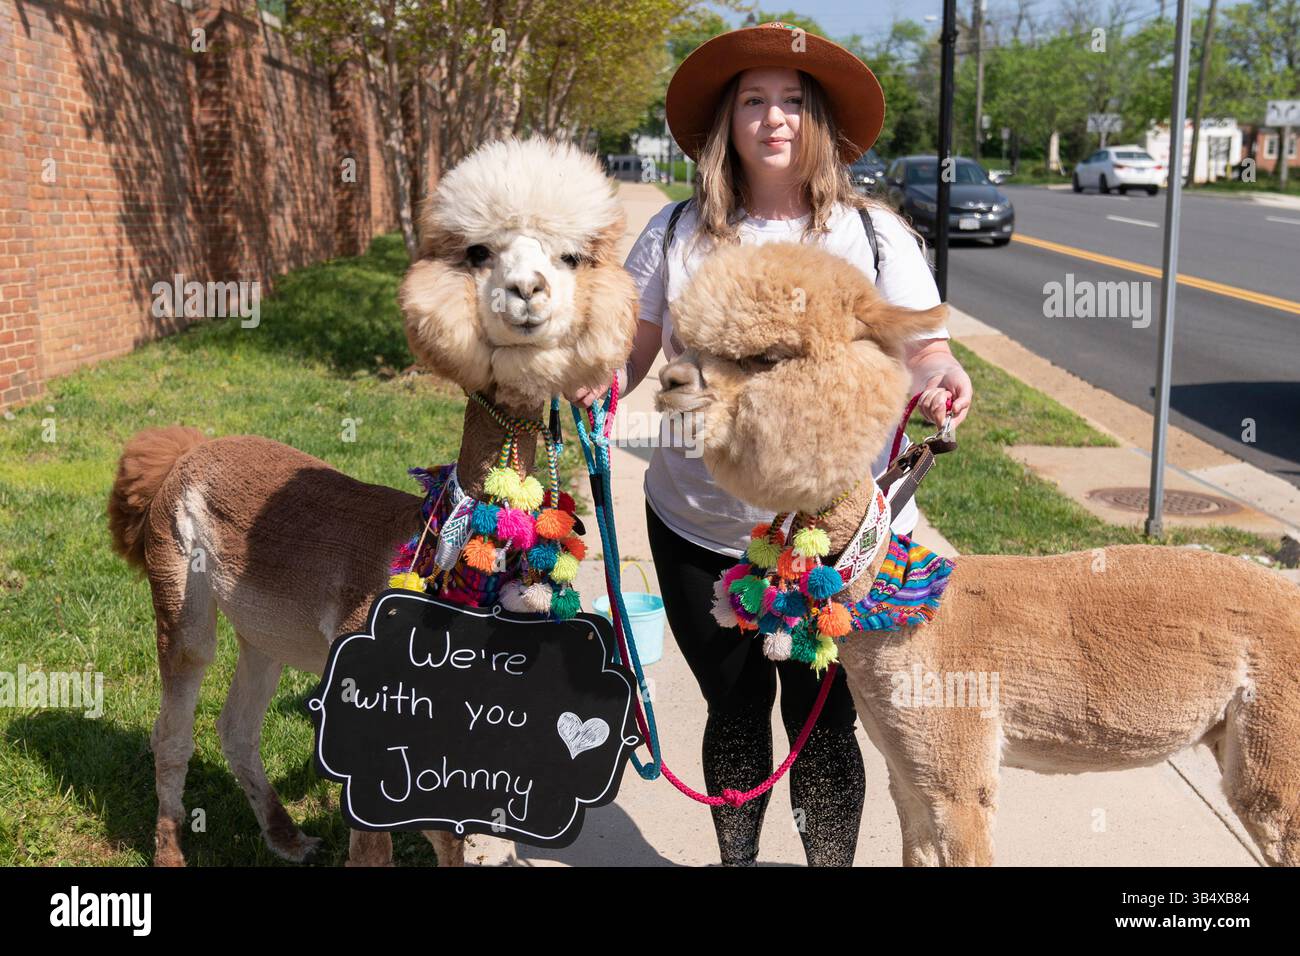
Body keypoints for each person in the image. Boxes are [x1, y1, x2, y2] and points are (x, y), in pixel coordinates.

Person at [572, 21, 973, 866]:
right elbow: (637, 349)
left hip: (838, 532)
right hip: (697, 517)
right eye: (754, 100)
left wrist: (941, 377)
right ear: (729, 121)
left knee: (824, 720)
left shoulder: (871, 235)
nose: (774, 117)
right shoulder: (677, 232)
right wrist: (603, 382)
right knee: (733, 706)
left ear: (817, 120)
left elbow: (921, 344)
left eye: (792, 100)